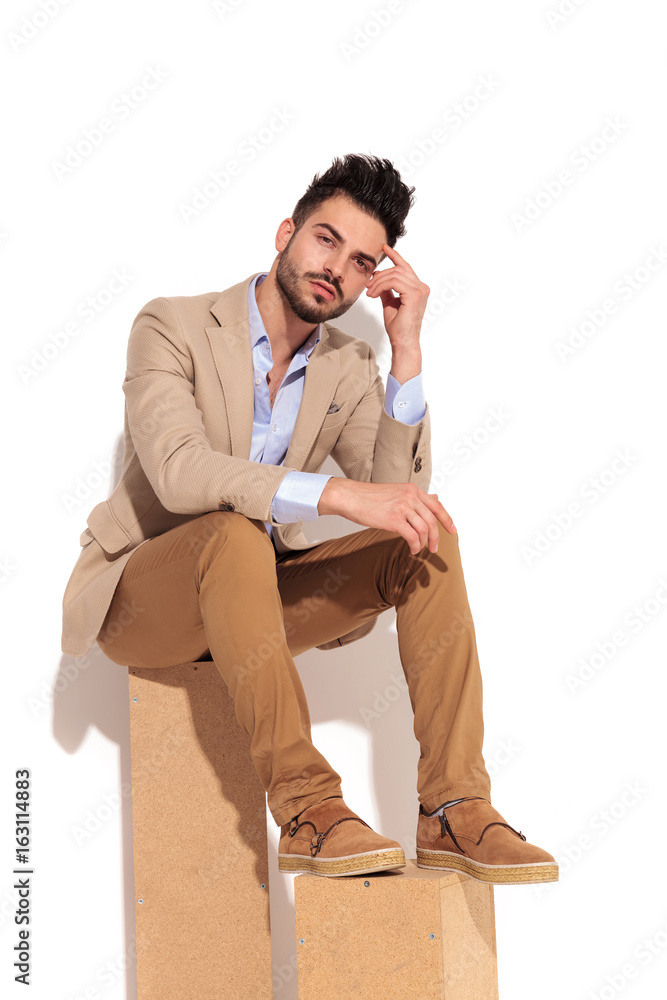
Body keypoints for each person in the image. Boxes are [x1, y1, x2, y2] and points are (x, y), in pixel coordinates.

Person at [61, 153, 557, 885]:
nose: (336, 268)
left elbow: (398, 504)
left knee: (428, 539)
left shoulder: (348, 365)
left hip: (254, 597)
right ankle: (308, 810)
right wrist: (331, 496)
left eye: (361, 261)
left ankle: (453, 806)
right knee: (230, 532)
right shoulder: (171, 324)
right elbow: (180, 471)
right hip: (146, 602)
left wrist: (406, 354)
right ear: (285, 232)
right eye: (325, 239)